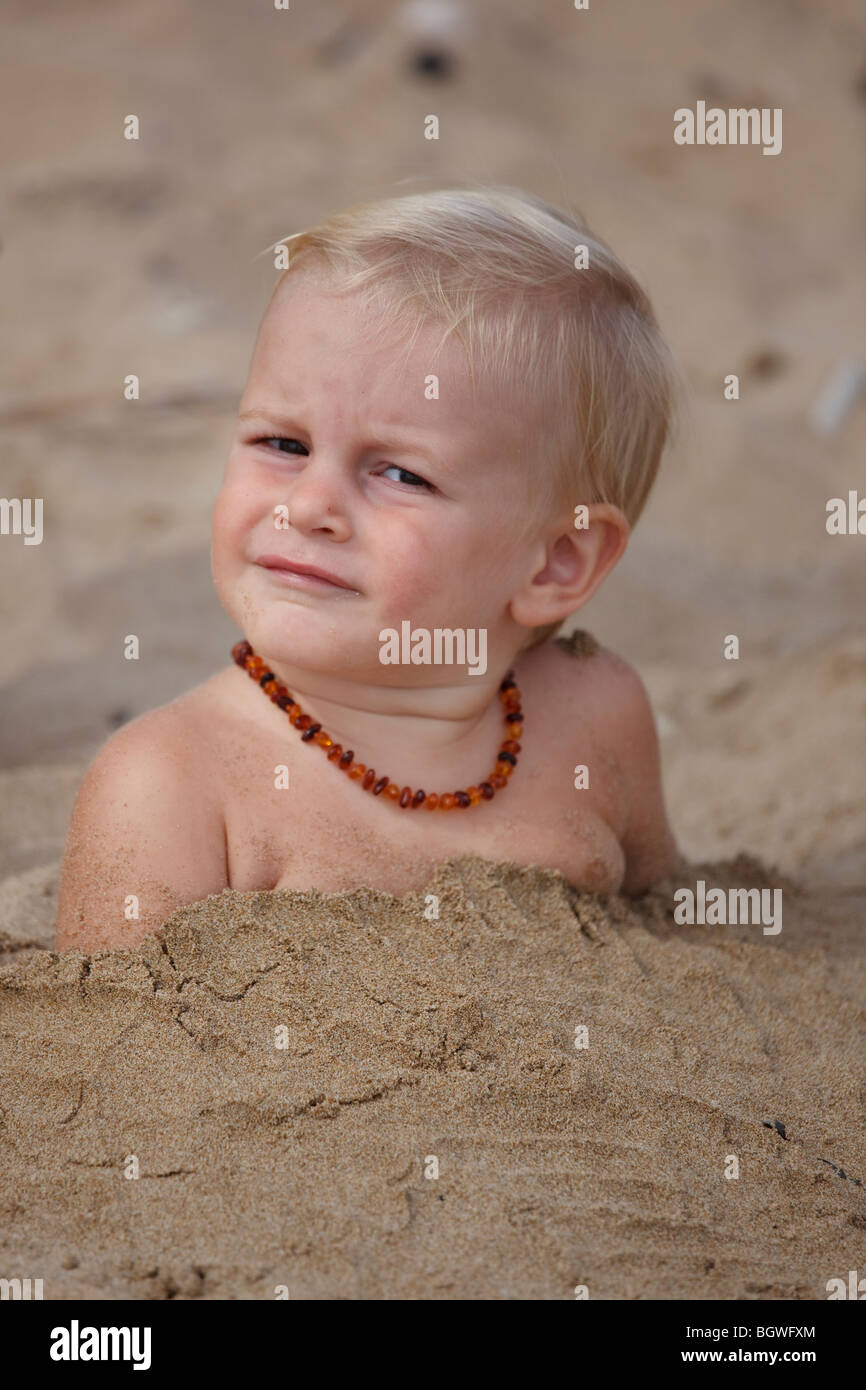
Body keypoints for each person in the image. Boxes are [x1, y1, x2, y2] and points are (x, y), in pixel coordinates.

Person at [56, 184, 682, 952]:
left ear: (556, 561)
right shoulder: (169, 784)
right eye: (282, 444)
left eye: (400, 474)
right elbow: (100, 1046)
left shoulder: (596, 714)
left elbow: (671, 928)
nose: (311, 502)